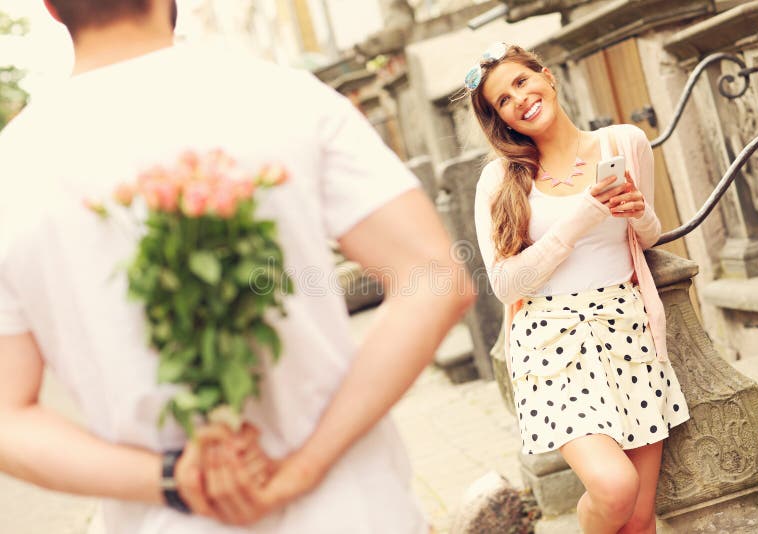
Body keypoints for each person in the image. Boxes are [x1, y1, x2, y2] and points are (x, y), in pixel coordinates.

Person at [0, 1, 474, 532]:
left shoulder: (12, 170)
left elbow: (7, 419)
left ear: (50, 7)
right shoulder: (283, 98)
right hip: (348, 508)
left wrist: (176, 479)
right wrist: (304, 465)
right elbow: (436, 279)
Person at [468, 43, 690, 534]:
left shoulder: (624, 142)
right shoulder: (500, 181)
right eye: (503, 101)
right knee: (613, 489)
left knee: (637, 520)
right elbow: (506, 284)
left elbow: (648, 235)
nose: (518, 100)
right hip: (551, 344)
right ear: (500, 120)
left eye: (521, 83)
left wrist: (638, 211)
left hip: (627, 330)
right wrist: (584, 214)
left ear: (547, 76)